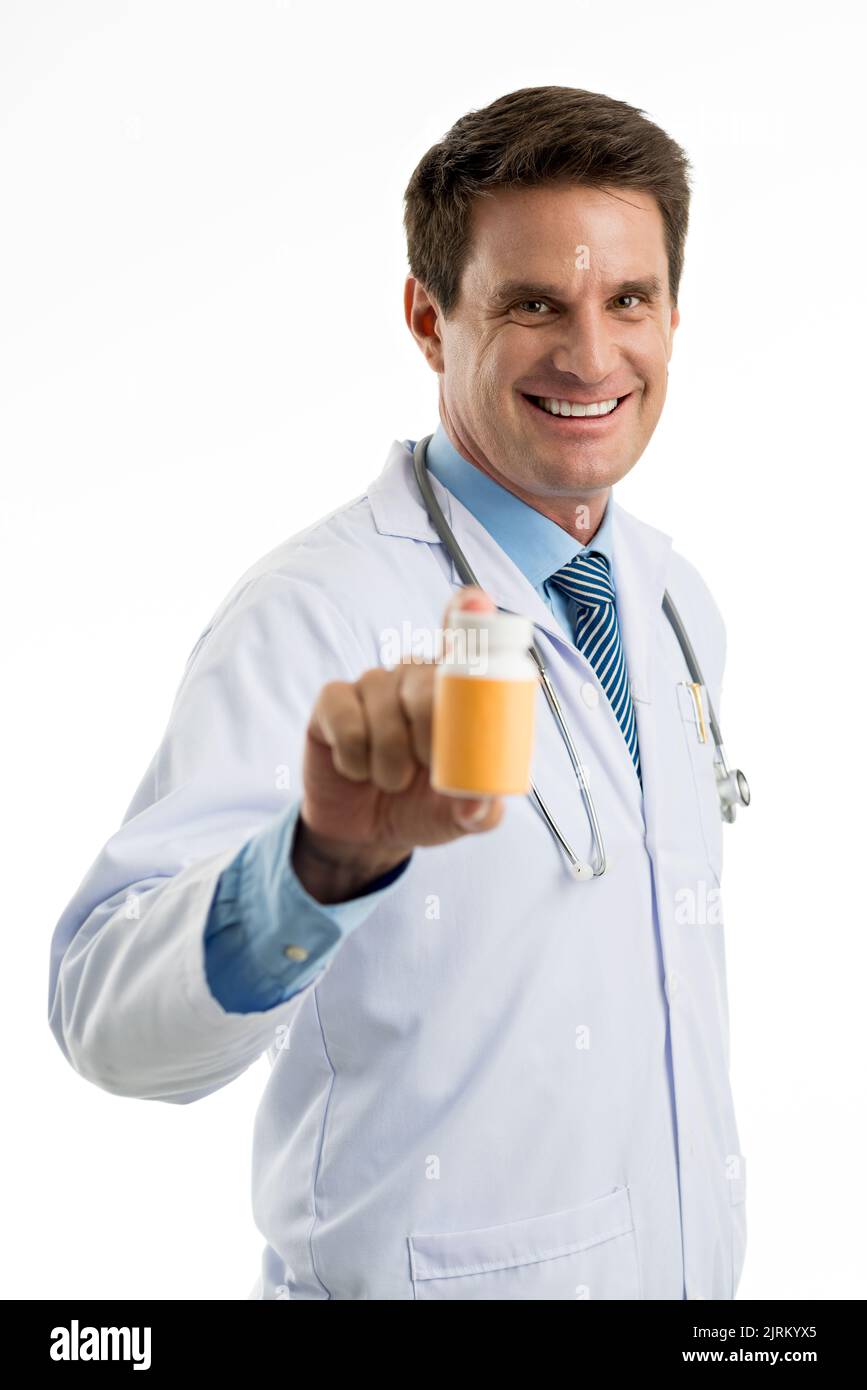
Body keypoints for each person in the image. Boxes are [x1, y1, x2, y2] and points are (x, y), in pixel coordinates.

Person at [48, 85, 746, 1300]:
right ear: (429, 320)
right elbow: (106, 1016)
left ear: (673, 312)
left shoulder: (674, 599)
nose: (592, 355)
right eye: (534, 304)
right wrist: (315, 864)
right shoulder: (314, 612)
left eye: (627, 298)